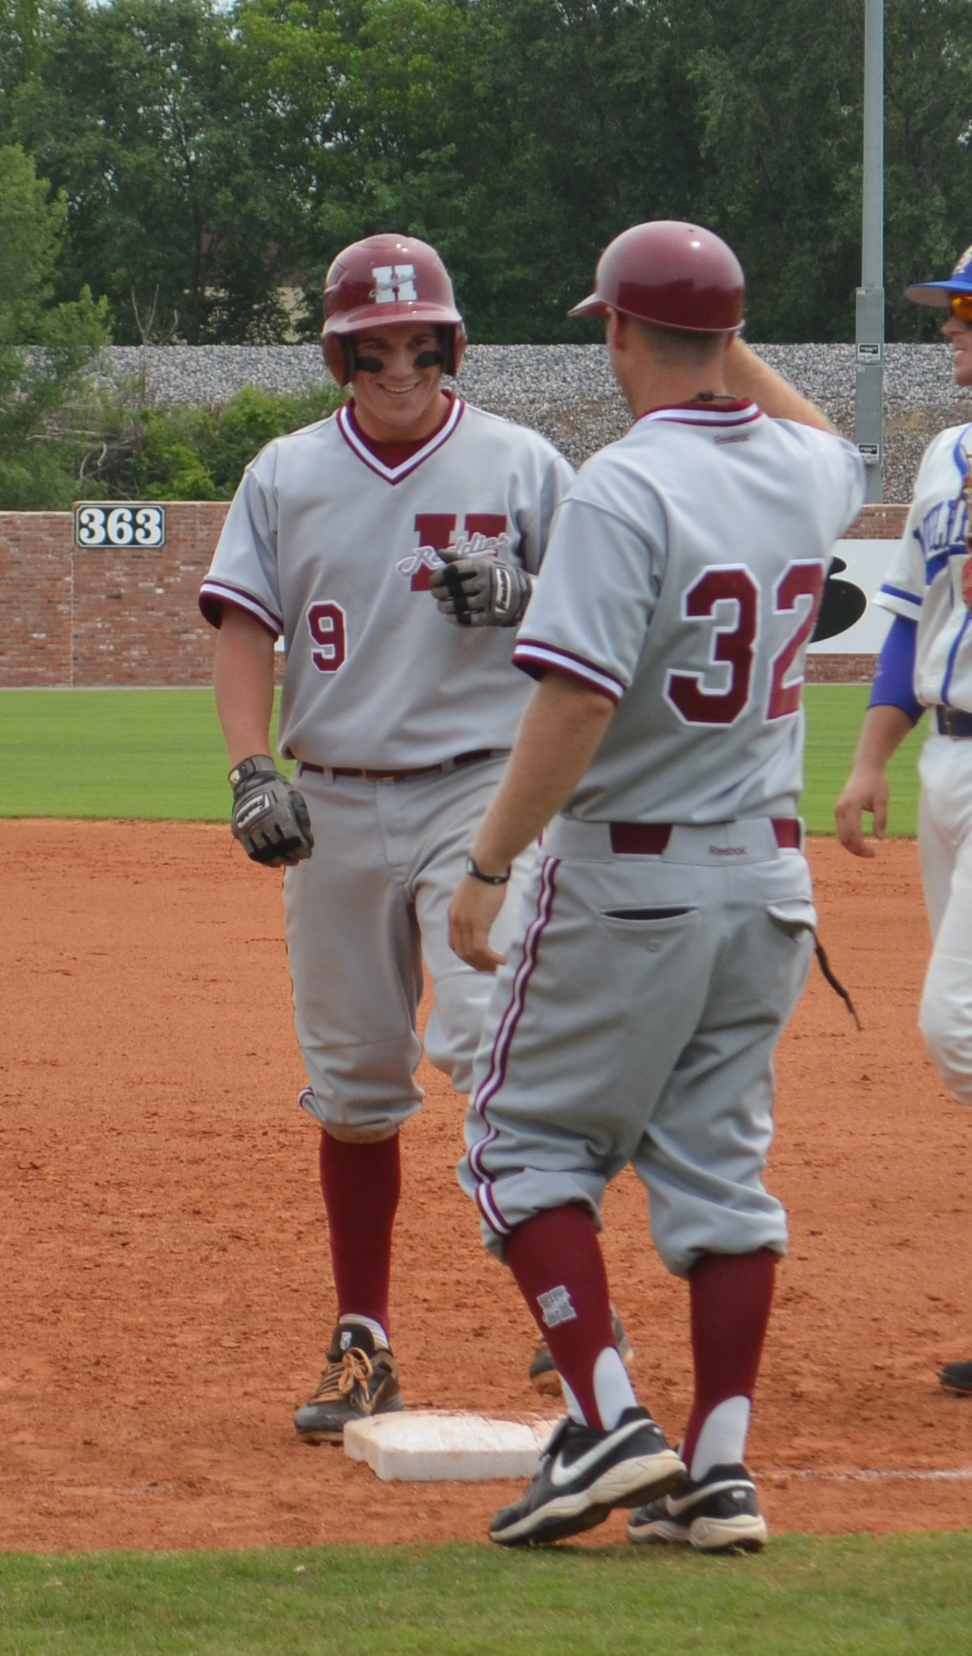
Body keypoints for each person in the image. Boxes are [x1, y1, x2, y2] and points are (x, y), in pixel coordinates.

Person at [449, 220, 866, 1549]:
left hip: (628, 884)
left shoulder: (619, 488)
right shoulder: (809, 470)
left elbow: (573, 705)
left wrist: (487, 863)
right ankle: (721, 1472)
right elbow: (829, 443)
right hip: (768, 890)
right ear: (730, 338)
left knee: (517, 1149)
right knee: (723, 1182)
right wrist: (729, 337)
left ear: (621, 332)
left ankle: (612, 1423)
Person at [199, 233, 575, 1443]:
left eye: (422, 344)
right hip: (337, 801)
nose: (400, 366)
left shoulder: (523, 462)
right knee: (357, 1085)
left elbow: (602, 613)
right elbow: (243, 630)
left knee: (484, 1047)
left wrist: (523, 592)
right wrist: (253, 766)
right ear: (342, 354)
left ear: (453, 345)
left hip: (482, 788)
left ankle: (575, 1316)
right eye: (377, 346)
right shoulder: (287, 472)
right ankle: (365, 1339)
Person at [835, 244, 972, 1400]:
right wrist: (872, 760)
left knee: (956, 1025)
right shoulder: (944, 455)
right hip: (946, 761)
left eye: (964, 314)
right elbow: (906, 619)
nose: (948, 331)